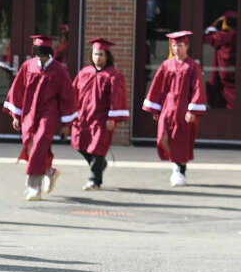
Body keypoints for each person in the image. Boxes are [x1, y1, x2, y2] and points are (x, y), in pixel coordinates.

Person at [4, 34, 77, 200]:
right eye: (39, 52)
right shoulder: (27, 66)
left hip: (48, 113)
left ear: (50, 52)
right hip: (29, 112)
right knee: (30, 144)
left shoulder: (59, 70)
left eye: (44, 53)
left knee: (39, 144)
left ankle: (34, 187)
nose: (42, 57)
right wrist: (16, 115)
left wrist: (66, 123)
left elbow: (67, 97)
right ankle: (49, 172)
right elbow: (18, 91)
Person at [143, 30, 207, 187]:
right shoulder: (167, 65)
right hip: (168, 107)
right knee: (163, 138)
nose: (177, 49)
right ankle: (176, 164)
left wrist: (192, 110)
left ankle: (179, 169)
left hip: (184, 109)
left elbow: (198, 88)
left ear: (186, 46)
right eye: (174, 45)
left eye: (180, 45)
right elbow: (158, 87)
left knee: (181, 140)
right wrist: (156, 109)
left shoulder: (193, 66)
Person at [72, 38, 129, 190]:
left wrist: (112, 118)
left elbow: (116, 98)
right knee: (79, 143)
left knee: (98, 147)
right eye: (96, 54)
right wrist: (71, 113)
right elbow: (74, 93)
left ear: (107, 56)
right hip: (83, 116)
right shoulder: (84, 73)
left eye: (101, 55)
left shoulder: (114, 76)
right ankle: (100, 164)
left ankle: (94, 180)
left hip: (101, 118)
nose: (98, 58)